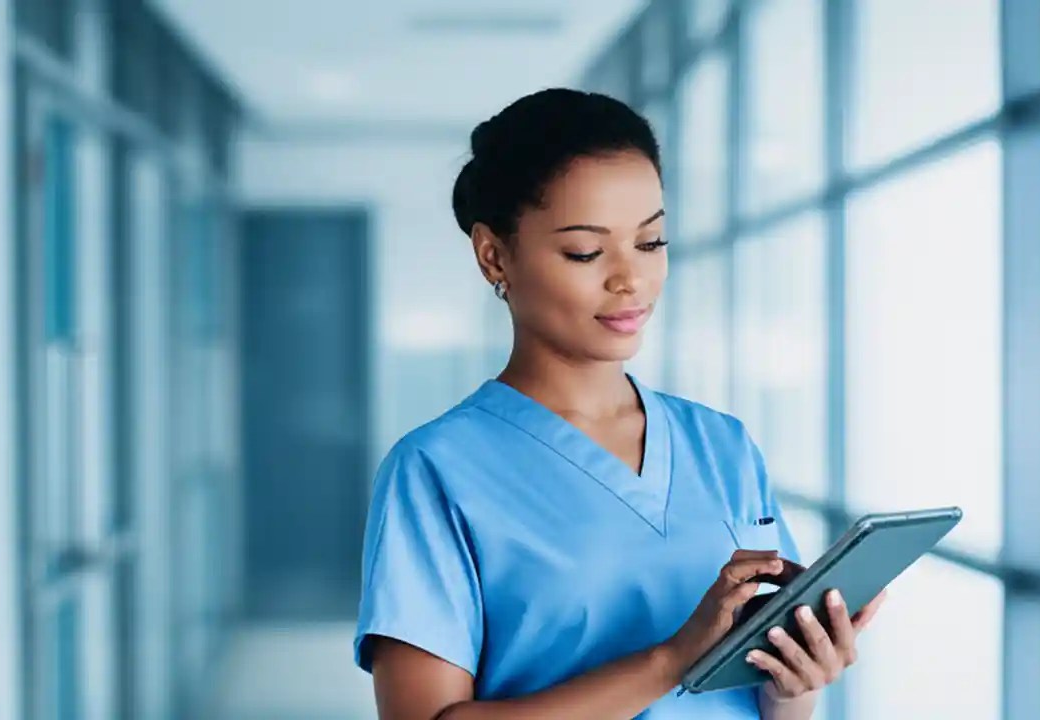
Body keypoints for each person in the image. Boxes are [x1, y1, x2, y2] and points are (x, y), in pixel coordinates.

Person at [353, 88, 884, 719]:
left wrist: (794, 684)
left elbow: (766, 707)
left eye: (651, 242)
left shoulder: (723, 444)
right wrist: (671, 660)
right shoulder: (437, 469)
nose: (630, 279)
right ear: (494, 255)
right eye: (585, 251)